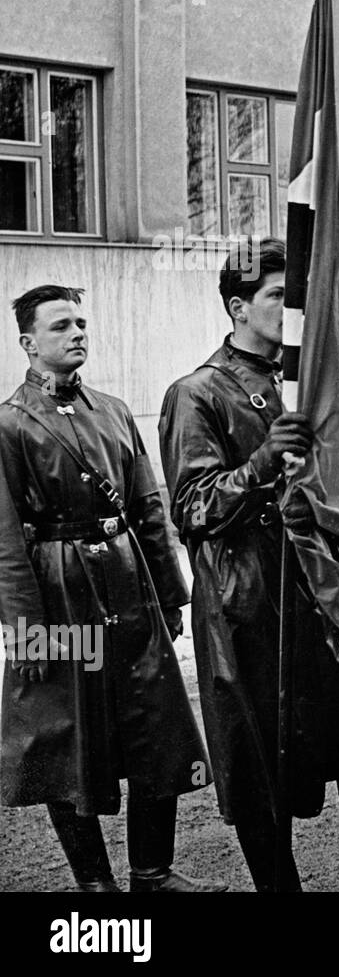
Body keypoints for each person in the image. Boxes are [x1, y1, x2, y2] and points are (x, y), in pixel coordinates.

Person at [160, 241, 339, 893]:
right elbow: (193, 506)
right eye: (279, 296)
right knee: (262, 761)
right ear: (237, 306)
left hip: (321, 589)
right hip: (249, 601)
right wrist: (260, 469)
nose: (293, 308)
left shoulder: (311, 383)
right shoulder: (197, 393)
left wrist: (328, 499)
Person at [1, 285, 220, 892]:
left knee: (155, 720)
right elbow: (3, 541)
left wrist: (172, 595)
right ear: (28, 343)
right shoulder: (9, 423)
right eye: (60, 327)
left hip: (129, 582)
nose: (77, 334)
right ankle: (95, 885)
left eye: (80, 323)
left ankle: (152, 871)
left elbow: (149, 508)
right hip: (60, 587)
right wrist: (26, 630)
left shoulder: (115, 410)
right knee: (69, 731)